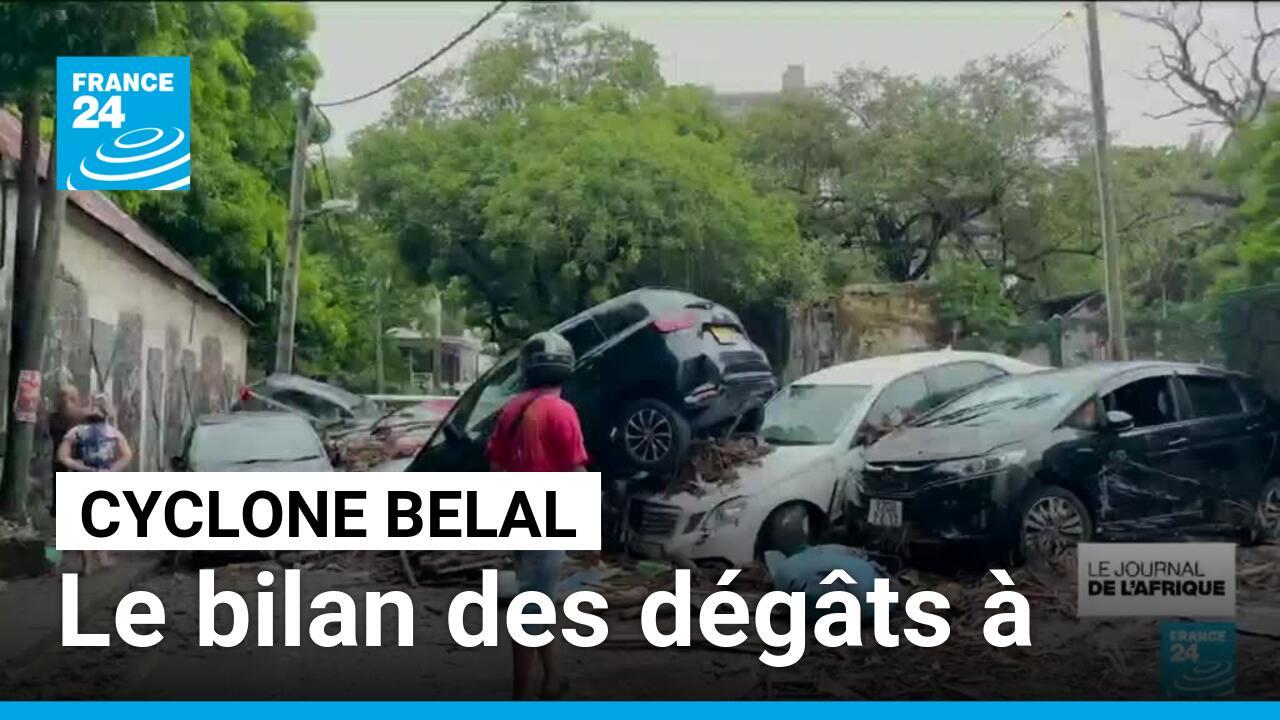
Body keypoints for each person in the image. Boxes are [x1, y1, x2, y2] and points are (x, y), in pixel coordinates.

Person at [485, 331, 588, 700]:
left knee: (536, 596)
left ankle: (554, 677)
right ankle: (520, 695)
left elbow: (496, 467)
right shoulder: (562, 411)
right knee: (533, 604)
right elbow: (577, 476)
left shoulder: (511, 409)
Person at [56, 394, 132, 574]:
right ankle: (102, 557)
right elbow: (126, 455)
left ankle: (87, 564)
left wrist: (78, 466)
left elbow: (62, 456)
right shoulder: (113, 433)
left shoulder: (75, 432)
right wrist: (112, 469)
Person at [47, 385, 84, 518]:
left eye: (69, 397)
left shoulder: (82, 417)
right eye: (63, 396)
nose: (66, 400)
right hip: (61, 457)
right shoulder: (54, 417)